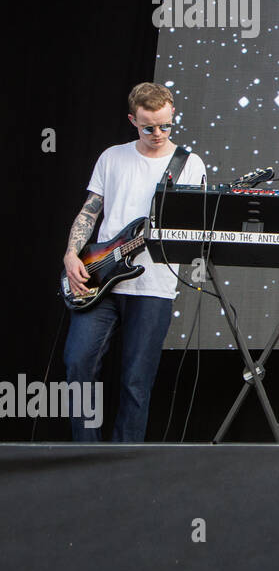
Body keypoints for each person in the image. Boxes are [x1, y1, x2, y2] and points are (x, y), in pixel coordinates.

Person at [62, 82, 207, 442]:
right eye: (148, 127)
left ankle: (123, 465)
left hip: (153, 286)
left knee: (135, 381)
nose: (158, 134)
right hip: (99, 276)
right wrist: (70, 255)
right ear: (132, 120)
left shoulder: (189, 165)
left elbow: (193, 226)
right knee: (77, 362)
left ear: (172, 115)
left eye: (165, 126)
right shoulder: (112, 157)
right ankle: (85, 455)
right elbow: (89, 211)